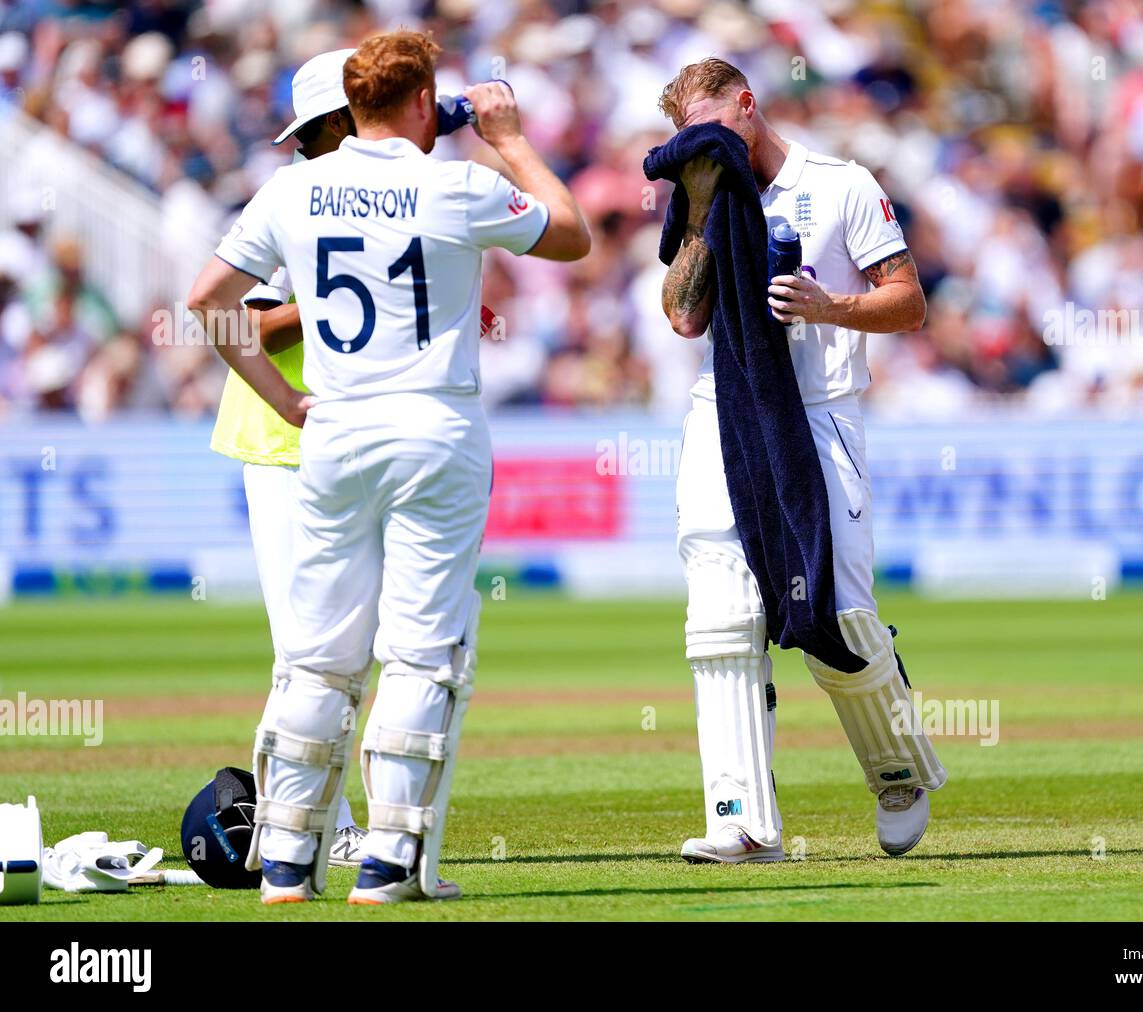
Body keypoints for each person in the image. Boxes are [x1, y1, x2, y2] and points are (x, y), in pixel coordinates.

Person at [186, 28, 590, 904]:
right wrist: (510, 138)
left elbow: (205, 304)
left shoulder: (292, 189)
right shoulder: (457, 182)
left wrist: (285, 401)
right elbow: (571, 235)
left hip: (332, 434)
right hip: (433, 428)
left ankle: (287, 865)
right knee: (417, 654)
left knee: (318, 658)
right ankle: (389, 865)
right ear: (419, 104)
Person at [657, 58, 946, 863]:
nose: (700, 146)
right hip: (728, 415)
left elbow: (910, 301)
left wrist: (832, 306)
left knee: (838, 615)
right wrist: (701, 212)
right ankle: (741, 821)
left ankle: (897, 770)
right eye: (686, 138)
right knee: (721, 616)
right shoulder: (701, 188)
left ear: (747, 105)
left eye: (710, 126)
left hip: (822, 416)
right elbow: (683, 318)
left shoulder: (841, 184)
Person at [207, 47, 368, 870]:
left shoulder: (356, 199)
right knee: (308, 646)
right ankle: (313, 825)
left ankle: (302, 818)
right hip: (281, 443)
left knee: (340, 644)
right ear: (337, 124)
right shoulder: (292, 201)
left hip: (329, 443)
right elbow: (244, 323)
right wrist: (347, 292)